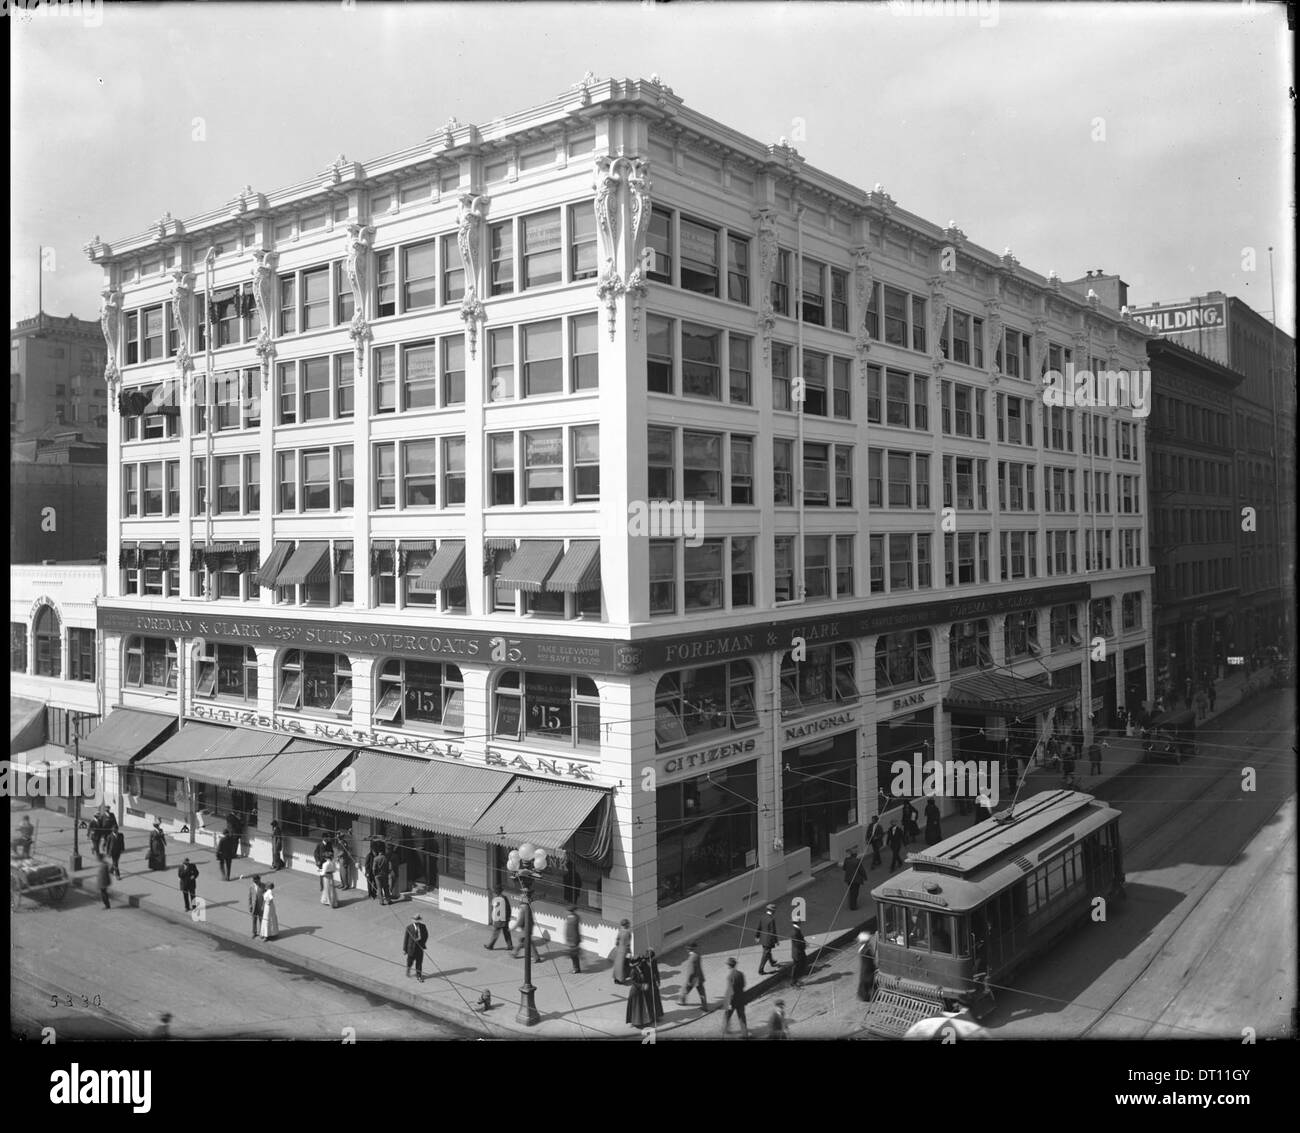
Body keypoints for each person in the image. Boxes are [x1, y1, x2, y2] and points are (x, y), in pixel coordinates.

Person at [625, 956, 655, 1029]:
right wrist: (642, 986)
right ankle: (636, 1022)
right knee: (636, 1007)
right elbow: (633, 982)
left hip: (641, 990)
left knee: (643, 1006)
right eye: (639, 962)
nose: (640, 963)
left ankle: (644, 1021)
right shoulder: (633, 971)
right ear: (636, 963)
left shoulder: (639, 968)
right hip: (635, 991)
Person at [721, 957, 748, 1038]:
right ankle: (745, 1034)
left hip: (732, 1001)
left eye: (727, 965)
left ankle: (725, 1030)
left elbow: (730, 991)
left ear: (729, 966)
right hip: (740, 999)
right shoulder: (740, 974)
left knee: (727, 1015)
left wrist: (729, 1003)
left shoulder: (730, 977)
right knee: (741, 1017)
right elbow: (743, 985)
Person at [678, 944, 708, 1009]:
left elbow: (691, 971)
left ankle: (682, 1001)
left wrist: (689, 980)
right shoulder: (697, 954)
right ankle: (704, 1006)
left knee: (685, 989)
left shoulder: (692, 958)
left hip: (693, 978)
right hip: (699, 977)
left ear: (688, 950)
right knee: (701, 992)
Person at [403, 913, 429, 982]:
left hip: (419, 948)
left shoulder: (423, 926)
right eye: (415, 920)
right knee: (410, 962)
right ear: (413, 920)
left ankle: (419, 976)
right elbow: (406, 939)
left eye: (418, 920)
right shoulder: (409, 927)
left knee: (419, 963)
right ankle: (408, 970)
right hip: (411, 949)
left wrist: (422, 943)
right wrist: (405, 949)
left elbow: (426, 935)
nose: (417, 921)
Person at [755, 903, 779, 975]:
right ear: (771, 910)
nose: (775, 911)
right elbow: (773, 932)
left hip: (763, 939)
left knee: (767, 951)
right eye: (774, 910)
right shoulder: (771, 919)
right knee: (765, 954)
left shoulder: (762, 917)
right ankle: (760, 970)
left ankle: (772, 962)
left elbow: (759, 927)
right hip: (768, 940)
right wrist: (776, 941)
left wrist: (757, 936)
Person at [856, 931, 878, 1002]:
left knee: (867, 982)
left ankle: (866, 996)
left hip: (867, 969)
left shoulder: (865, 949)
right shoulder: (866, 948)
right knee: (868, 983)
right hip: (867, 969)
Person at [645, 949, 665, 1021]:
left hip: (650, 983)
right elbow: (655, 972)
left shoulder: (650, 961)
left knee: (652, 1000)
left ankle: (653, 1016)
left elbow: (655, 971)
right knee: (652, 1000)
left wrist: (657, 981)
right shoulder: (648, 962)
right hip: (649, 983)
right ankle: (653, 1016)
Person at [611, 918, 632, 984]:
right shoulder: (628, 933)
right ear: (626, 925)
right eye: (628, 924)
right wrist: (629, 952)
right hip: (625, 950)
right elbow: (628, 943)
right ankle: (621, 979)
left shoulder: (620, 931)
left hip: (619, 949)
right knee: (624, 965)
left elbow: (617, 941)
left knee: (618, 965)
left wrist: (617, 947)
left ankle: (616, 978)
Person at [562, 907, 582, 974]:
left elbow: (572, 931)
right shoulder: (571, 917)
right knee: (574, 955)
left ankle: (576, 969)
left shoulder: (573, 918)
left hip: (573, 939)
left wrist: (572, 940)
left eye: (568, 911)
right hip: (572, 939)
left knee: (574, 955)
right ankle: (576, 968)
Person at [789, 921, 808, 988]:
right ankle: (794, 982)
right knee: (798, 967)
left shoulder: (796, 930)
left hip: (797, 952)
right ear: (799, 923)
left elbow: (799, 940)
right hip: (798, 953)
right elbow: (798, 943)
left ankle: (795, 981)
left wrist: (804, 942)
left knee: (797, 967)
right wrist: (805, 945)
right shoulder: (795, 931)